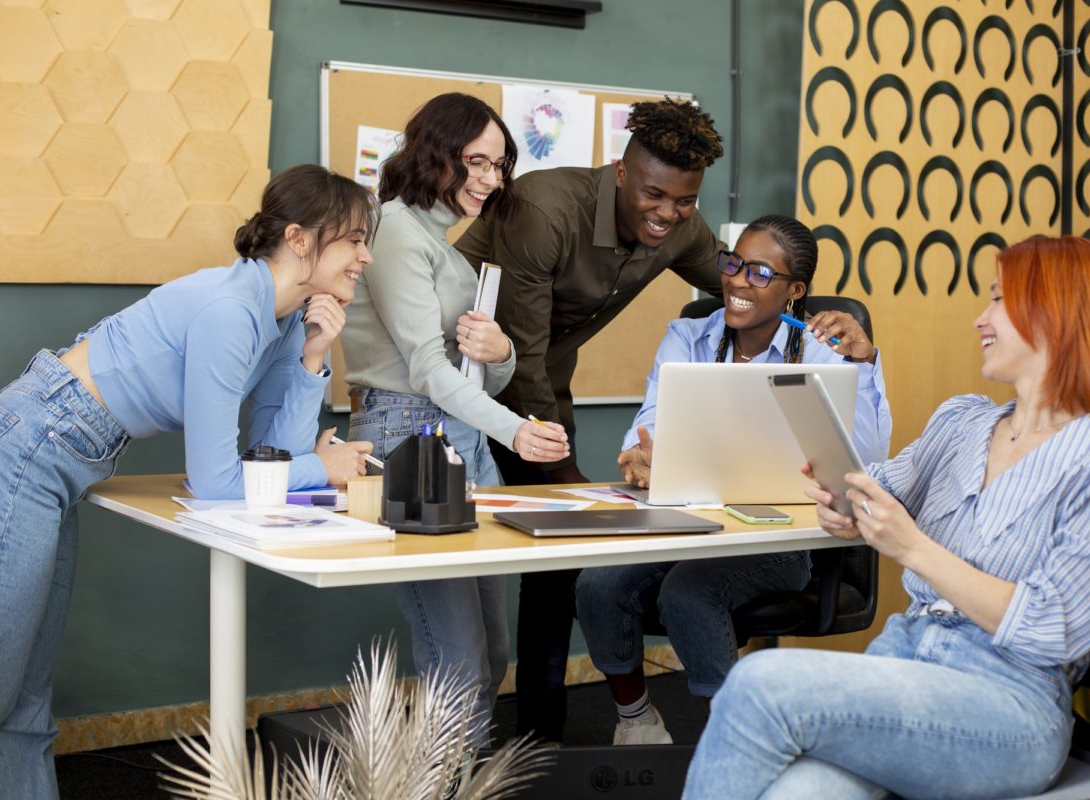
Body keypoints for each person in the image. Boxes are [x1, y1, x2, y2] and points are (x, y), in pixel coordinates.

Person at [682, 235, 1090, 800]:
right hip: (907, 659)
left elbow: (1055, 630)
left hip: (1008, 704)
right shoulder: (964, 421)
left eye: (999, 301)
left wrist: (912, 548)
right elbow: (878, 488)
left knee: (758, 684)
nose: (981, 319)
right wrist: (842, 503)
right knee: (800, 792)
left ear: (1056, 316)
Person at [0, 164, 379, 799]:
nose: (366, 257)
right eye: (355, 240)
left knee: (26, 700)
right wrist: (325, 468)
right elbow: (222, 482)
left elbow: (271, 459)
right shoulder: (231, 311)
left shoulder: (282, 318)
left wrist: (313, 357)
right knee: (3, 684)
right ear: (300, 238)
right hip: (33, 443)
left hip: (61, 454)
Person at [454, 97, 727, 741]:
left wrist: (827, 314)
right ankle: (466, 740)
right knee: (466, 562)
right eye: (655, 195)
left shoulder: (681, 225)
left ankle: (539, 735)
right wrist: (570, 481)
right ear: (622, 172)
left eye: (684, 202)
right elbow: (516, 348)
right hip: (461, 380)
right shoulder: (544, 207)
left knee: (557, 562)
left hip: (540, 387)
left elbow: (745, 283)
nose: (668, 214)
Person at [575, 214, 892, 745]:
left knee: (688, 593)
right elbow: (650, 421)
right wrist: (642, 454)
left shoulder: (822, 351)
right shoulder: (689, 335)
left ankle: (727, 744)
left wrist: (862, 365)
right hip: (684, 525)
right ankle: (637, 722)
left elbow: (863, 460)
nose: (739, 280)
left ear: (796, 291)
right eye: (735, 263)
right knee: (598, 583)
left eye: (761, 273)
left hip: (777, 538)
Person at [339, 93, 570, 738]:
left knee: (492, 654)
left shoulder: (448, 249)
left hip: (461, 436)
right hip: (406, 438)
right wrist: (518, 431)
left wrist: (502, 354)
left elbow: (471, 368)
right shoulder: (391, 232)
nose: (491, 180)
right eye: (477, 162)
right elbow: (426, 372)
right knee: (460, 661)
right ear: (435, 152)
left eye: (500, 166)